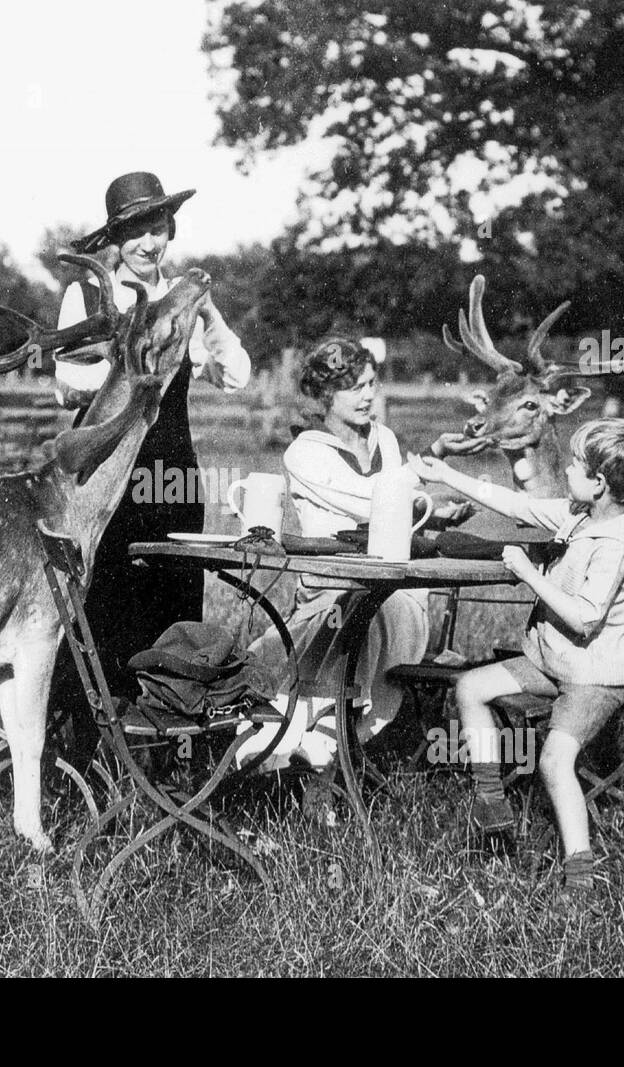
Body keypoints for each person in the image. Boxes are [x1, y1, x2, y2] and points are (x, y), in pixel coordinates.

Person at [407, 417, 624, 902]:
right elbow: (517, 503)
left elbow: (586, 620)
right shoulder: (582, 515)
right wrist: (445, 475)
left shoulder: (613, 545)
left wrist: (528, 572)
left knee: (553, 760)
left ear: (599, 483)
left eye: (575, 464)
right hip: (554, 662)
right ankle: (491, 801)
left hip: (595, 678)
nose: (564, 467)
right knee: (469, 688)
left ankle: (580, 879)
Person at [48, 171, 251, 766]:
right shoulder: (87, 295)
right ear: (116, 238)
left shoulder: (182, 301)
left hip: (172, 476)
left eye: (156, 229)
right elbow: (65, 383)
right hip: (105, 478)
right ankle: (92, 751)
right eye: (136, 231)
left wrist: (208, 314)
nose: (148, 243)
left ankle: (167, 752)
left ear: (170, 230)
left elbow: (235, 375)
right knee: (103, 610)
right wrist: (127, 368)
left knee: (173, 609)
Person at [240, 338, 471, 780]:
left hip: (395, 589)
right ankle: (318, 751)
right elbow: (375, 502)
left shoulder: (384, 439)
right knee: (351, 620)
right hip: (328, 592)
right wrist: (432, 467)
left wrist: (434, 517)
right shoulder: (304, 453)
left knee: (376, 612)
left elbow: (396, 510)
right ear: (327, 394)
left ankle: (325, 750)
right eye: (354, 387)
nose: (368, 396)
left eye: (371, 384)